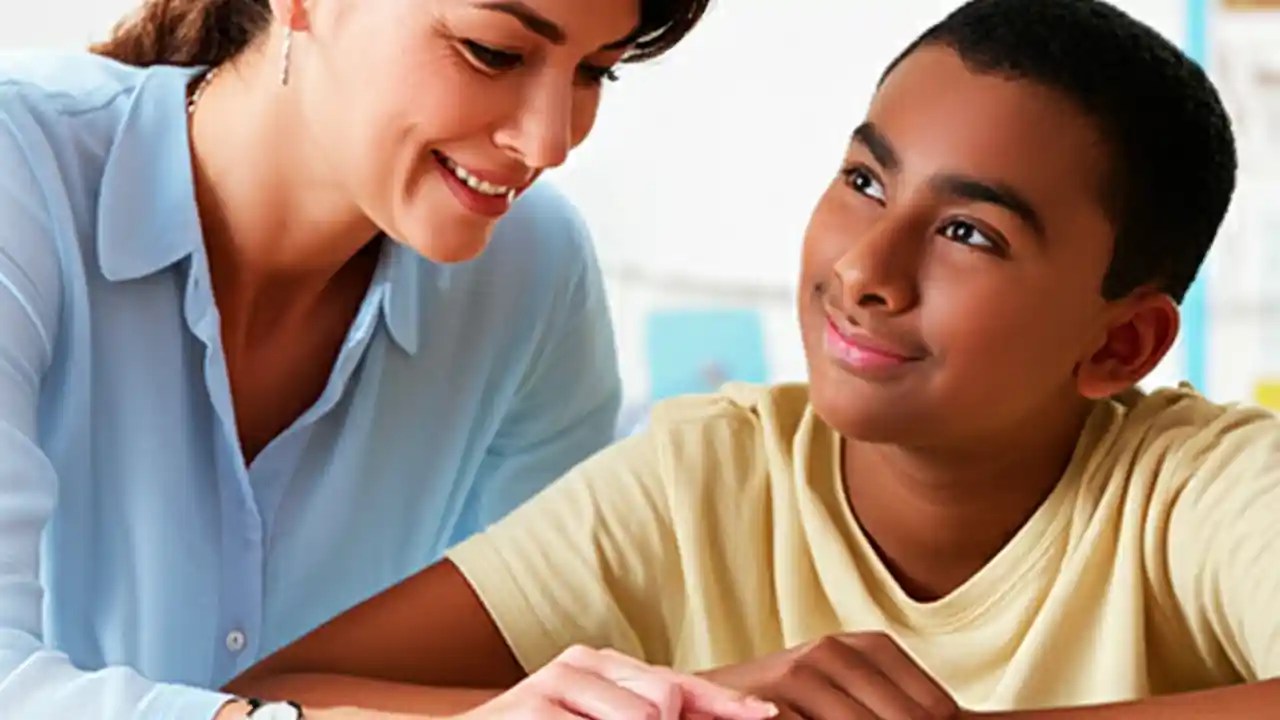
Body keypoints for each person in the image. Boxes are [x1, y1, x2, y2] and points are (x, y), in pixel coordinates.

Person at [229, 0, 1280, 717]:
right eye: (864, 183)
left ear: (1119, 344)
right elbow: (290, 694)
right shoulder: (704, 482)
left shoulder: (1195, 490)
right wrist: (690, 701)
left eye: (969, 234)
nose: (866, 268)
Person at [0, 0, 780, 718]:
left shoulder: (533, 273)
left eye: (592, 71)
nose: (548, 142)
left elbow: (534, 654)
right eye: (492, 52)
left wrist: (704, 695)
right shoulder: (22, 173)